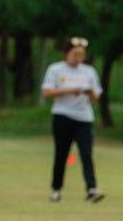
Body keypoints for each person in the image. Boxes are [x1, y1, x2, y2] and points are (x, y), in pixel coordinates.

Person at [42, 37, 105, 203]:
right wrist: (70, 90)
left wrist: (88, 92)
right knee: (61, 155)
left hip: (84, 118)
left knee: (86, 154)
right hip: (63, 116)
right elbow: (47, 92)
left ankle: (91, 189)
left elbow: (96, 96)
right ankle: (56, 189)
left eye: (82, 54)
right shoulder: (56, 69)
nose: (79, 57)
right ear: (67, 53)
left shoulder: (88, 71)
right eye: (75, 54)